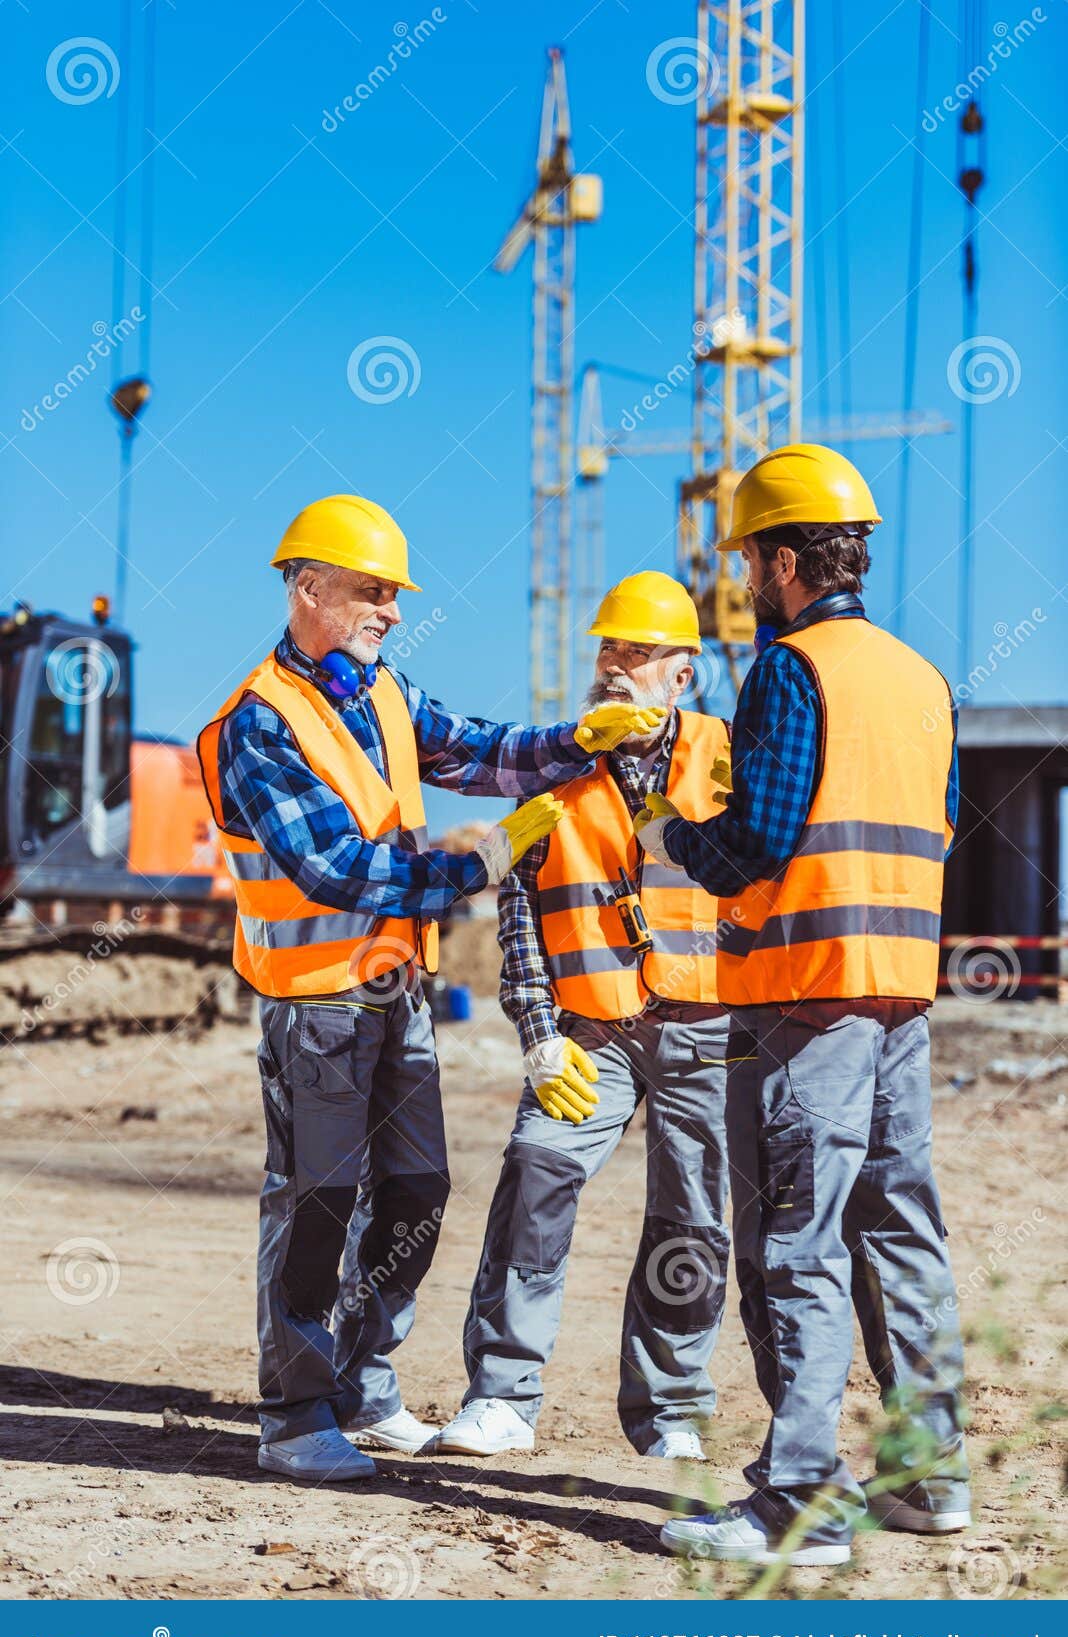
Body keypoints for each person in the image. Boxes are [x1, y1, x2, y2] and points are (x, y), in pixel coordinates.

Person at [197, 494, 661, 1484]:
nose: (394, 610)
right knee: (315, 1202)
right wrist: (484, 861)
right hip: (316, 1004)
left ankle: (363, 1387)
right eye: (374, 591)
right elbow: (338, 871)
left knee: (416, 1189)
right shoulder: (257, 726)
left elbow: (484, 749)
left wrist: (582, 736)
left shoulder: (384, 695)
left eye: (396, 594)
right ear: (307, 587)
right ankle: (295, 1411)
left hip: (397, 997)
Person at [637, 446, 970, 1567]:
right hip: (901, 999)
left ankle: (798, 1503)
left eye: (747, 561)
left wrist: (672, 839)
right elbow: (938, 825)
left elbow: (759, 839)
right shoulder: (921, 678)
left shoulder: (790, 669)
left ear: (783, 561)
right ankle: (929, 1476)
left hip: (802, 1003)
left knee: (799, 1245)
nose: (741, 582)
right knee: (902, 1232)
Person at [431, 573, 733, 1461]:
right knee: (536, 1177)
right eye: (607, 650)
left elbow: (761, 887)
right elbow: (520, 914)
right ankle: (502, 1397)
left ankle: (672, 1408)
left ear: (684, 674)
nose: (613, 668)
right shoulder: (553, 766)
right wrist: (537, 1036)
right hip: (589, 1032)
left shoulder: (729, 758)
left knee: (694, 1219)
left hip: (706, 1031)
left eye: (637, 653)